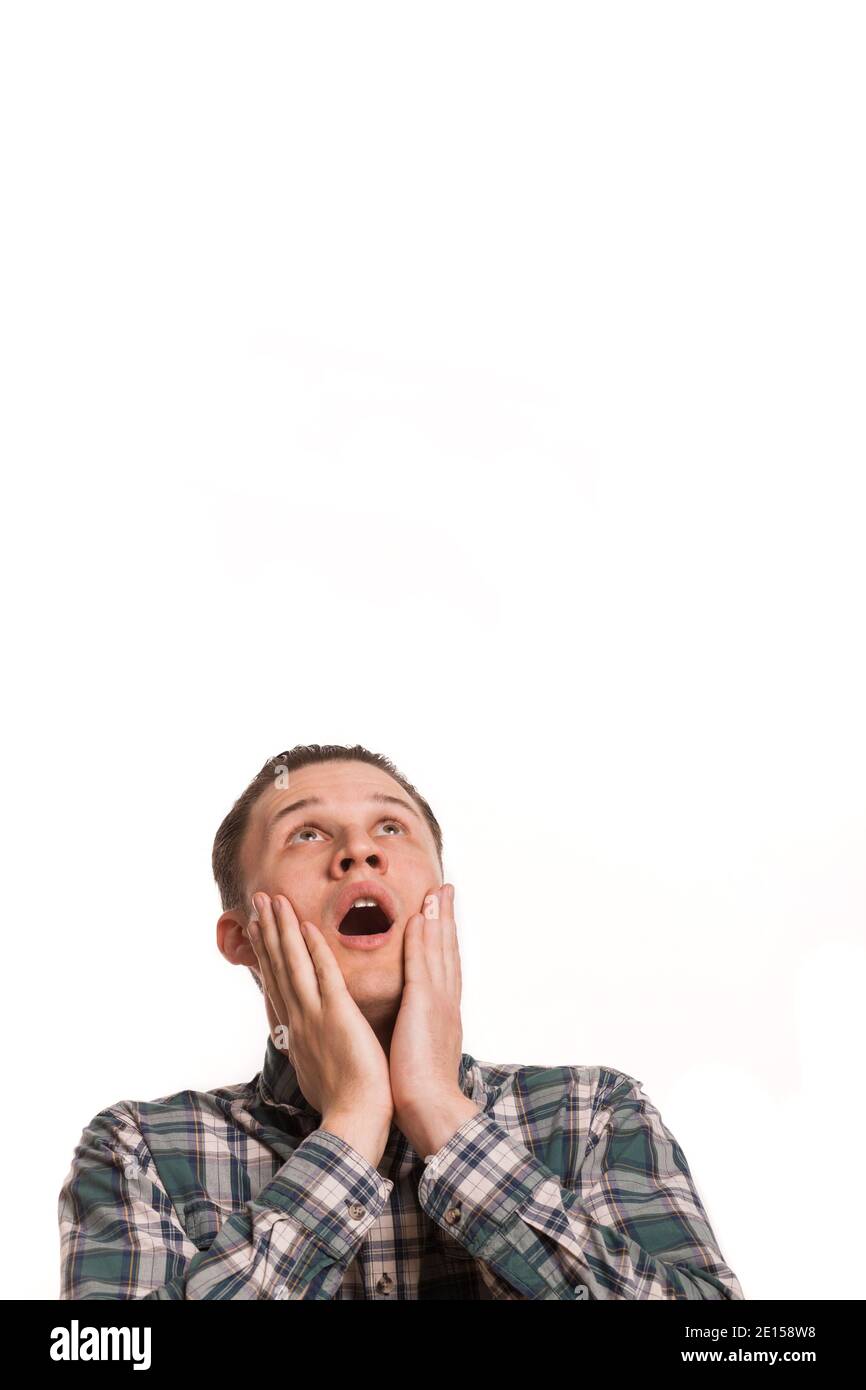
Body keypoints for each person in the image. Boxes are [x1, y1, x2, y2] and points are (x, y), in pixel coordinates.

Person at [58, 743, 745, 1300]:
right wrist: (352, 1125)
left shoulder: (592, 1114)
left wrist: (440, 1110)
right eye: (307, 832)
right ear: (242, 938)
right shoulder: (140, 1148)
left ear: (440, 901)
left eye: (390, 826)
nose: (360, 851)